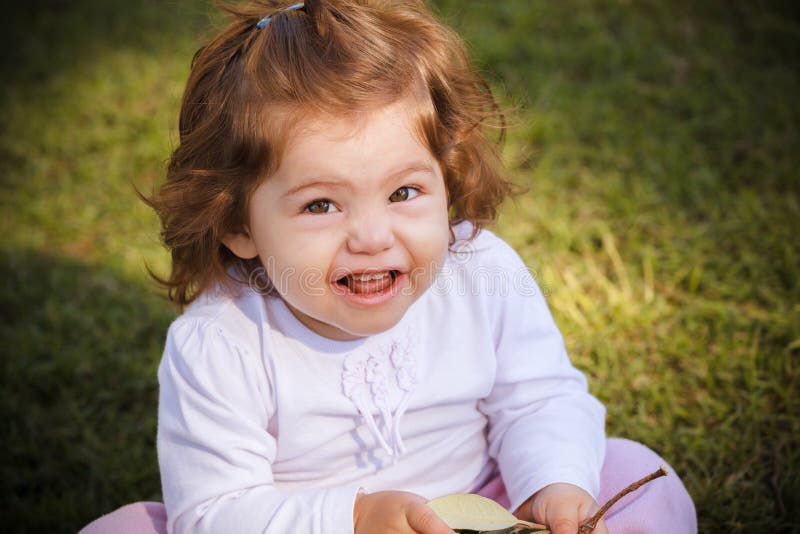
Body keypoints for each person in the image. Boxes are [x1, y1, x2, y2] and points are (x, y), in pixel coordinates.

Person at [81, 1, 697, 533]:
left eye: (404, 193)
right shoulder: (222, 342)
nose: (373, 237)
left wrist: (553, 486)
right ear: (238, 224)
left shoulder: (480, 273)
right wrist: (350, 520)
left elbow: (538, 398)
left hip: (483, 513)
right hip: (310, 526)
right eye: (320, 204)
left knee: (641, 476)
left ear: (446, 176)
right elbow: (213, 511)